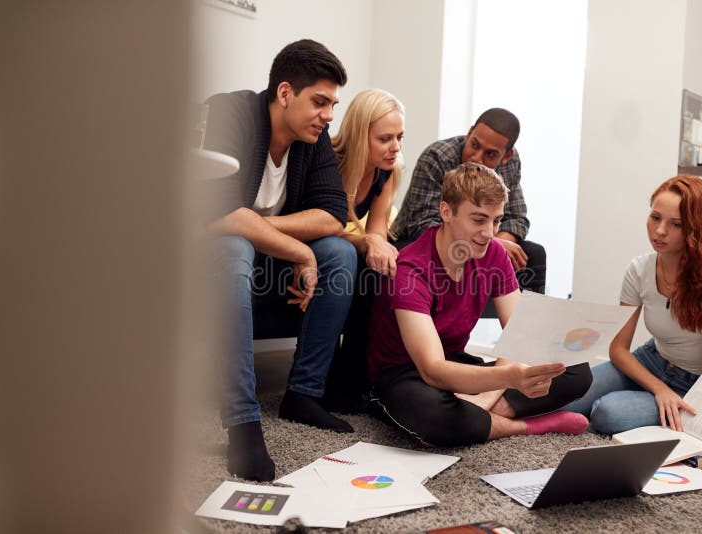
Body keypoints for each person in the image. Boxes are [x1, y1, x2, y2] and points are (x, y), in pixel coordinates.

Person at [203, 39, 357, 482]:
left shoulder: (314, 138)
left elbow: (332, 214)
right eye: (320, 102)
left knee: (342, 253)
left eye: (333, 104)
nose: (329, 115)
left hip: (262, 251)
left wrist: (265, 230)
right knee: (235, 246)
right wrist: (298, 250)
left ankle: (304, 393)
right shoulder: (229, 113)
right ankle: (243, 421)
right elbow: (217, 213)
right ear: (285, 92)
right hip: (215, 252)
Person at [367, 162, 592, 447]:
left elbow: (520, 333)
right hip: (405, 374)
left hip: (456, 362)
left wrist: (490, 391)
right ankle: (526, 426)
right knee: (435, 417)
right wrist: (508, 377)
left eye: (496, 221)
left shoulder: (494, 253)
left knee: (574, 368)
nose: (489, 232)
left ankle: (478, 413)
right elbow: (432, 370)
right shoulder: (412, 269)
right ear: (446, 212)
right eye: (478, 219)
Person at [564, 176, 702, 447]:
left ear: (696, 228)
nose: (659, 231)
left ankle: (669, 412)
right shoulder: (639, 268)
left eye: (675, 224)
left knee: (606, 413)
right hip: (651, 361)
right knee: (566, 396)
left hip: (695, 383)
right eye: (655, 217)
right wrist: (658, 388)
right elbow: (618, 349)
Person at [391, 108, 546, 294]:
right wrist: (491, 244)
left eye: (490, 154)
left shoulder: (511, 164)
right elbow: (422, 225)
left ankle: (530, 321)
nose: (476, 157)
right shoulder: (437, 158)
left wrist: (492, 243)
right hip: (416, 241)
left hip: (479, 238)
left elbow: (516, 218)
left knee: (534, 255)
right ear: (469, 133)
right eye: (474, 144)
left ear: (506, 156)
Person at [322, 89, 404, 411]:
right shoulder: (328, 158)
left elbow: (377, 231)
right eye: (385, 138)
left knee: (380, 267)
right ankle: (328, 381)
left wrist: (377, 245)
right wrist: (368, 243)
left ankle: (358, 377)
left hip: (345, 241)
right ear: (360, 134)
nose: (395, 147)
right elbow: (323, 229)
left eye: (399, 136)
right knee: (353, 257)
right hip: (318, 242)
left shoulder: (389, 170)